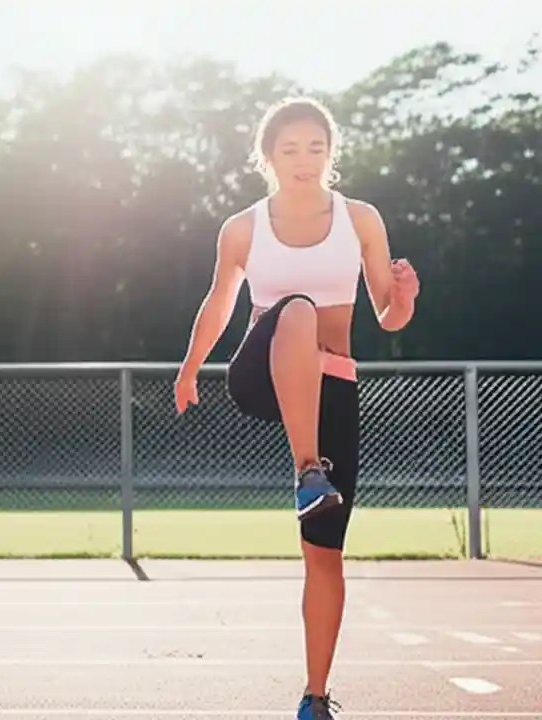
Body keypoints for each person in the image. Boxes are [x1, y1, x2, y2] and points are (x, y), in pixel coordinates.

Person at [172, 96, 420, 720]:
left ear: (331, 153)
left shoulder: (360, 219)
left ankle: (314, 696)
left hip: (332, 386)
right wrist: (190, 366)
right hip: (260, 376)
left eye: (316, 147)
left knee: (324, 553)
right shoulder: (243, 228)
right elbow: (219, 302)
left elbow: (387, 315)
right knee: (299, 310)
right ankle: (308, 470)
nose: (304, 159)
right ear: (268, 157)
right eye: (290, 149)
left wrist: (406, 298)